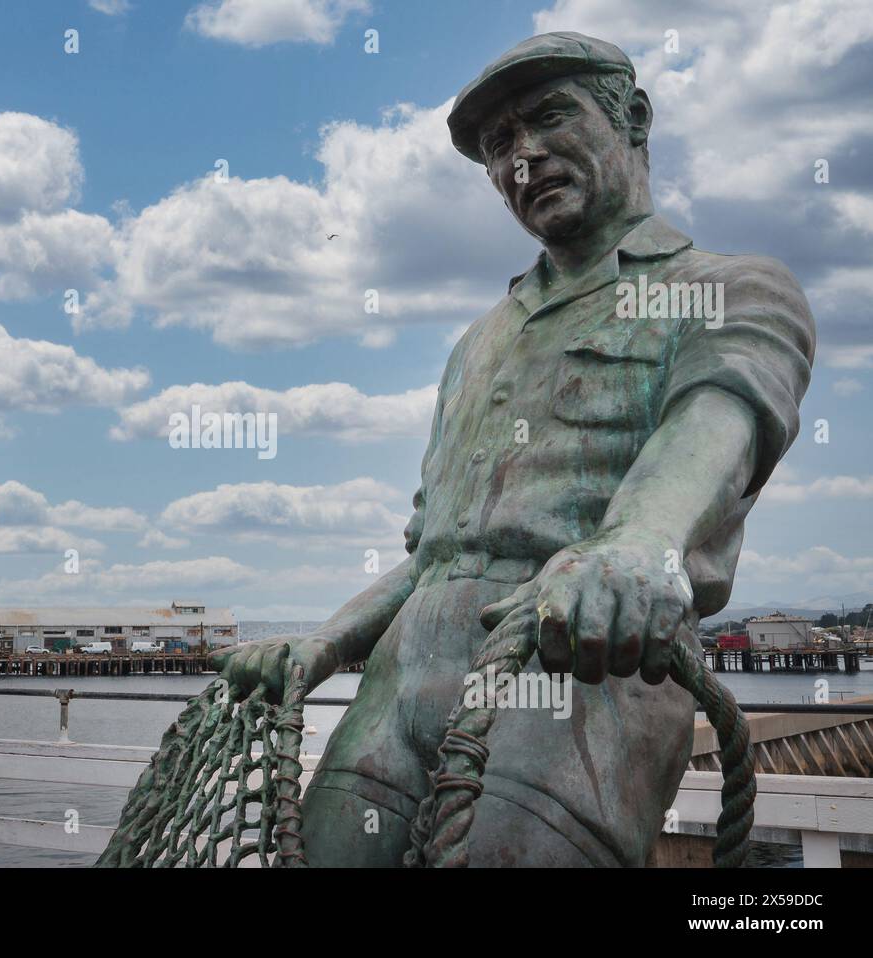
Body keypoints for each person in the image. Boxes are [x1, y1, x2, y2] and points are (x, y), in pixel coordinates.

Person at [210, 32, 815, 866]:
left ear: (633, 119)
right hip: (399, 683)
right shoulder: (476, 344)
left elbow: (716, 425)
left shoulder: (727, 287)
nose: (523, 157)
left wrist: (636, 543)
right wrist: (324, 642)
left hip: (582, 678)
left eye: (548, 118)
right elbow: (435, 555)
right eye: (499, 146)